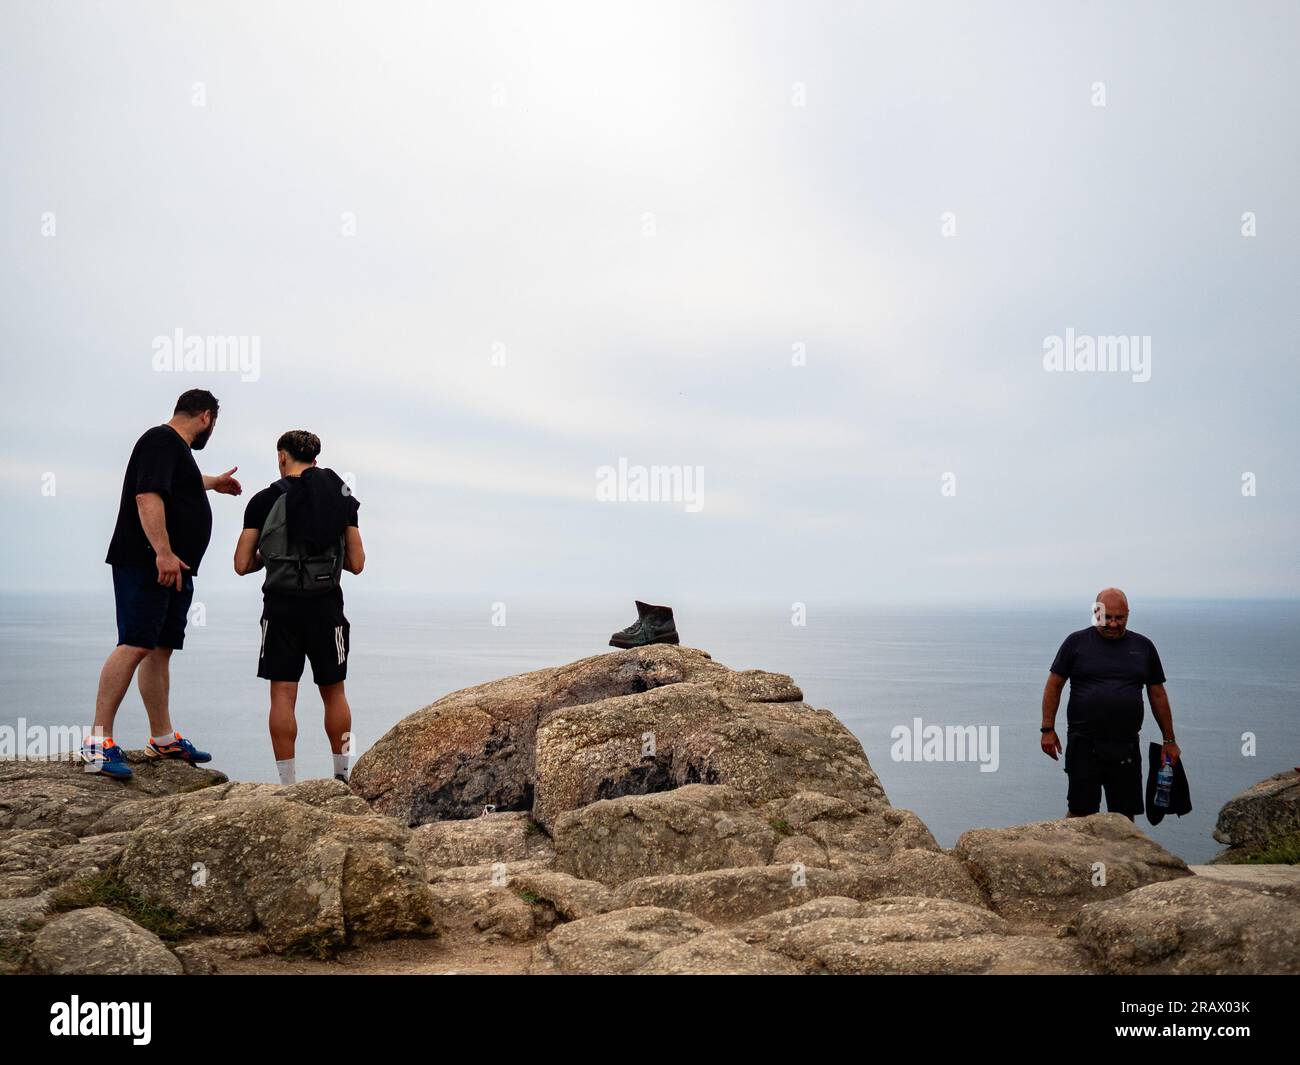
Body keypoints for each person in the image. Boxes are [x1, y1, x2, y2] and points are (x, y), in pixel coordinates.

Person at [85, 389, 241, 778]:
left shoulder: (176, 451)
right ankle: (97, 741)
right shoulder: (160, 439)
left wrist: (213, 483)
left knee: (159, 649)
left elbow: (176, 482)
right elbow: (147, 494)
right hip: (148, 562)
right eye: (213, 425)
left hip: (172, 567)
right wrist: (163, 552)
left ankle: (162, 737)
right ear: (206, 416)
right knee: (135, 643)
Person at [234, 430, 364, 784]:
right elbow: (357, 562)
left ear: (281, 457)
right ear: (316, 460)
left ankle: (287, 785)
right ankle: (341, 777)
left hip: (280, 609)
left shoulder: (263, 501)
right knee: (334, 691)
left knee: (282, 694)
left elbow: (242, 564)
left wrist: (272, 557)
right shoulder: (341, 498)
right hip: (326, 608)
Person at [1040, 588, 1181, 821]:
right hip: (1084, 743)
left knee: (1124, 816)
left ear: (1128, 615)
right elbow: (1054, 685)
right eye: (1107, 617)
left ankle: (1122, 859)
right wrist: (1047, 729)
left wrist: (1169, 740)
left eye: (1119, 618)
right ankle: (1073, 858)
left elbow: (1157, 694)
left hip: (1126, 745)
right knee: (1080, 812)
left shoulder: (1143, 647)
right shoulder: (1076, 643)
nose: (1113, 624)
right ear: (1096, 613)